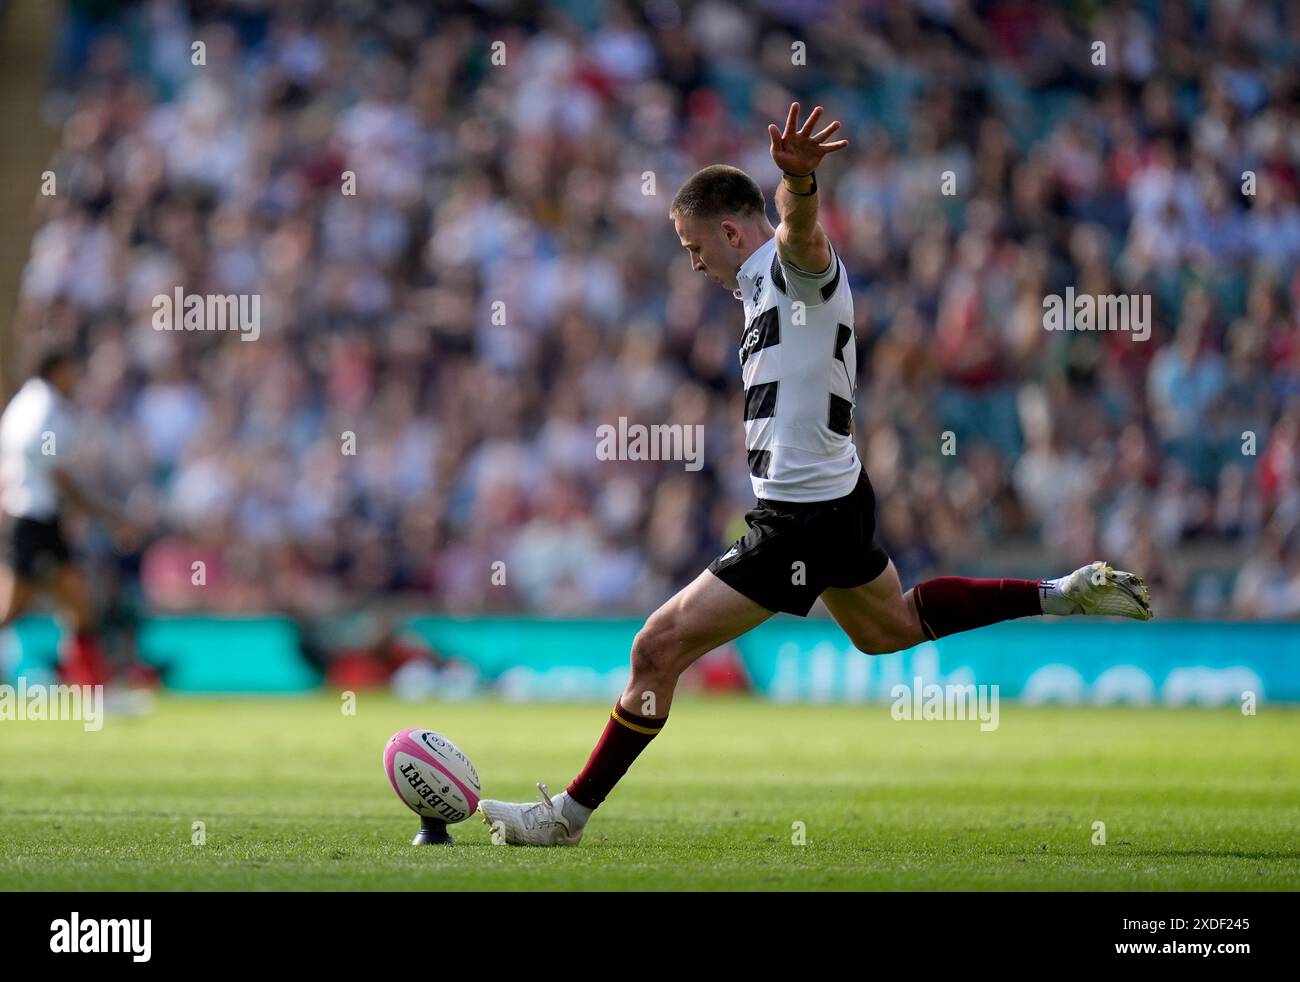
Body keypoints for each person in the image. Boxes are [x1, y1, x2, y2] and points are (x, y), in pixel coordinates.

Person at [478, 104, 1152, 846]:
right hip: (837, 498)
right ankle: (1060, 593)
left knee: (655, 648)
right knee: (889, 630)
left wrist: (798, 181)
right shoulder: (756, 289)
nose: (692, 262)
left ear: (732, 231)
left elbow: (801, 235)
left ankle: (565, 819)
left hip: (800, 516)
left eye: (694, 246)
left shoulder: (791, 271)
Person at [0, 346, 135, 687]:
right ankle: (93, 691)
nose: (76, 380)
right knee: (33, 606)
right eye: (72, 371)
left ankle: (92, 689)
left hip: (35, 518)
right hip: (34, 519)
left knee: (75, 603)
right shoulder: (43, 409)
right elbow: (50, 468)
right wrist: (102, 513)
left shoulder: (31, 403)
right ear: (57, 370)